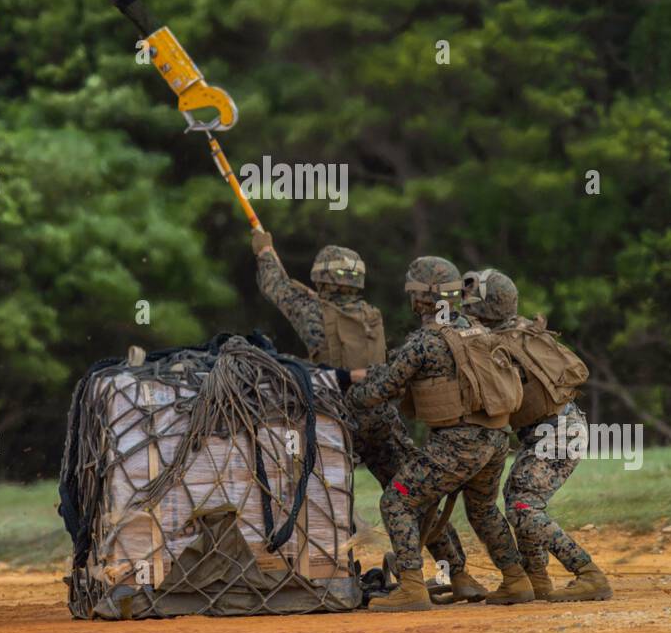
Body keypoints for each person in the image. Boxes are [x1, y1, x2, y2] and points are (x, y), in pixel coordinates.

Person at [346, 263, 534, 612]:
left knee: (397, 501)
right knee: (482, 508)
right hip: (495, 440)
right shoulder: (475, 328)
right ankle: (515, 579)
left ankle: (412, 588)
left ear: (422, 297)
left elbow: (383, 390)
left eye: (413, 292)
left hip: (458, 445)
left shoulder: (425, 342)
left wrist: (346, 390)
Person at [462, 268, 612, 603]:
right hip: (558, 428)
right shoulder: (521, 331)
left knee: (522, 506)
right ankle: (537, 578)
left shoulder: (495, 344)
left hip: (556, 431)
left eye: (471, 303)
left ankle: (588, 573)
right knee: (519, 495)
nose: (466, 309)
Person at [252, 232, 385, 368]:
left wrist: (264, 251)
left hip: (334, 387)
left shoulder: (312, 310)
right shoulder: (371, 314)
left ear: (320, 275)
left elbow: (275, 285)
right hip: (374, 387)